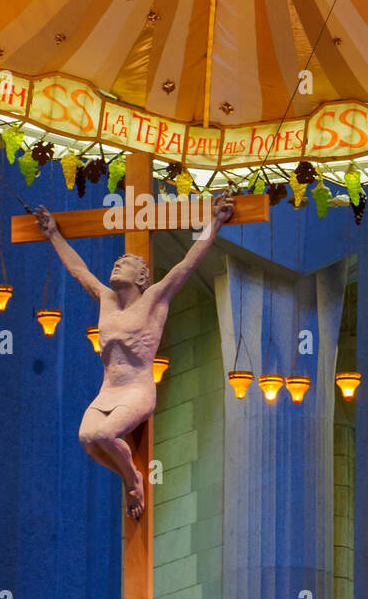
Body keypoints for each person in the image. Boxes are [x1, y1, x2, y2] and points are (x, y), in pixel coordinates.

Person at [34, 193, 234, 518]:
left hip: (138, 390)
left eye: (124, 263)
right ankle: (128, 475)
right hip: (108, 390)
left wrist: (215, 222)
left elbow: (187, 265)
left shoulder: (154, 298)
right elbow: (78, 270)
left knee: (102, 433)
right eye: (116, 261)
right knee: (86, 437)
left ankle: (132, 481)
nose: (116, 264)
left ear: (141, 277)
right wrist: (54, 233)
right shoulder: (107, 299)